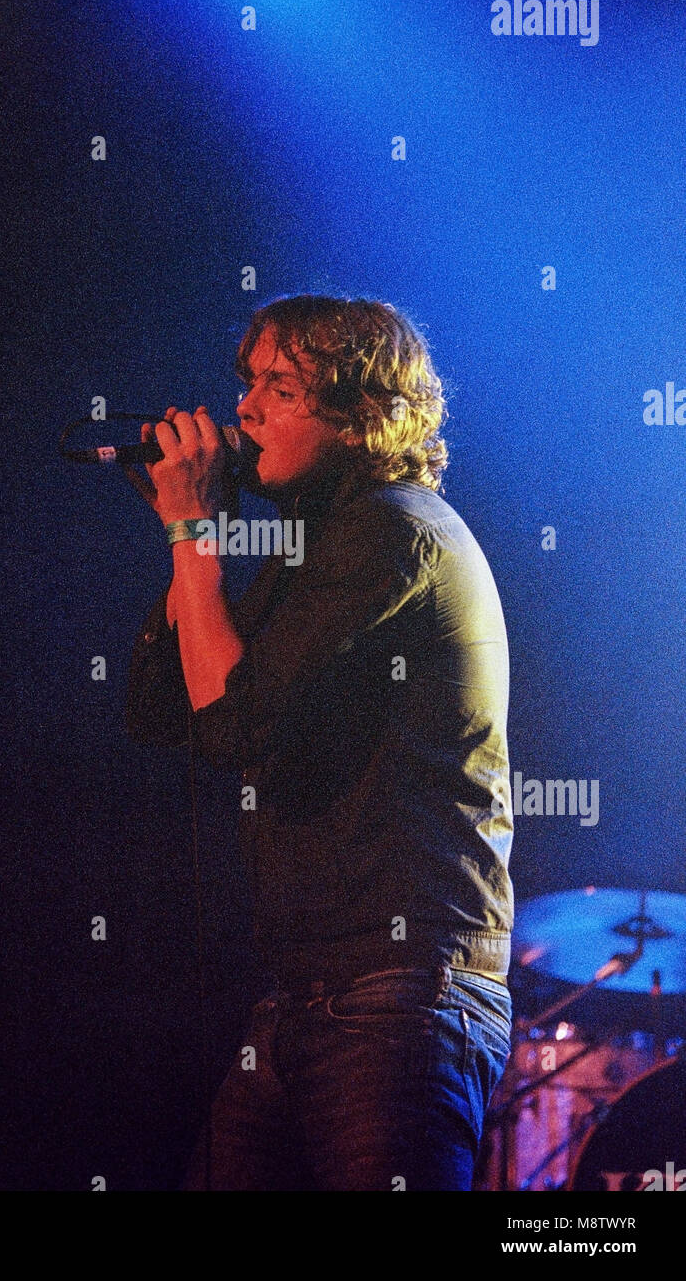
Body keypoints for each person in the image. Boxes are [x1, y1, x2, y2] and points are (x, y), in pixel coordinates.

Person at [123, 294, 514, 1191]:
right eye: (247, 381)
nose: (245, 408)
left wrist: (193, 535)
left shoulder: (393, 531)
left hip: (401, 993)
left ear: (362, 415)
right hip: (307, 993)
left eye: (280, 386)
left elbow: (231, 728)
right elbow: (158, 710)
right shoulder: (312, 544)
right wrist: (192, 537)